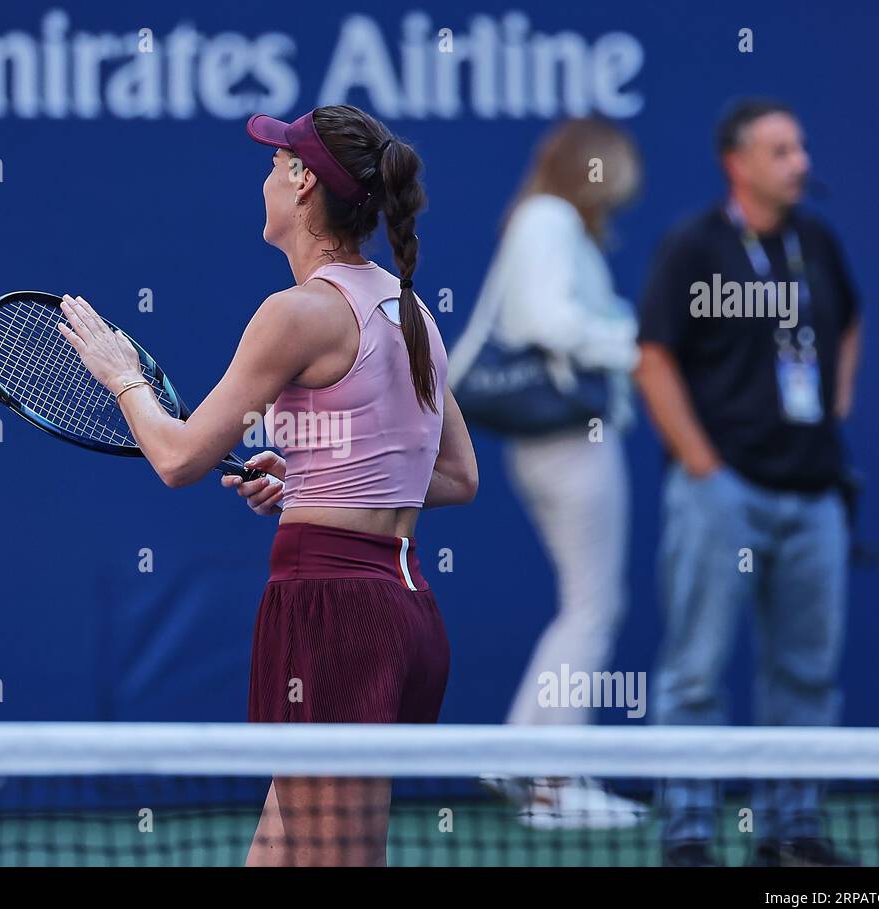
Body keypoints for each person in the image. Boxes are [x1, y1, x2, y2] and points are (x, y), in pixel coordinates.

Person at [55, 105, 478, 866]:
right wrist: (311, 476)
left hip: (336, 614)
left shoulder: (297, 314)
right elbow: (453, 476)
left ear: (302, 183)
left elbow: (179, 457)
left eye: (275, 162)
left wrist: (122, 379)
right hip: (404, 613)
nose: (264, 176)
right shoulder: (407, 306)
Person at [635, 98, 862, 866]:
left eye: (800, 147)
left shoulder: (818, 241)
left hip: (815, 494)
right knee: (694, 671)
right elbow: (652, 357)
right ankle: (690, 836)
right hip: (721, 493)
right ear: (739, 163)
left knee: (806, 673)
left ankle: (792, 833)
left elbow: (851, 320)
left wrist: (837, 400)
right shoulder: (693, 247)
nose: (800, 161)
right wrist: (703, 465)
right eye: (782, 150)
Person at [448, 119, 646, 828]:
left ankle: (523, 756)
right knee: (594, 607)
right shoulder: (550, 218)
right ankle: (554, 786)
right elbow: (546, 322)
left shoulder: (546, 220)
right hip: (568, 441)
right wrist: (637, 344)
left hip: (560, 442)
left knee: (585, 605)